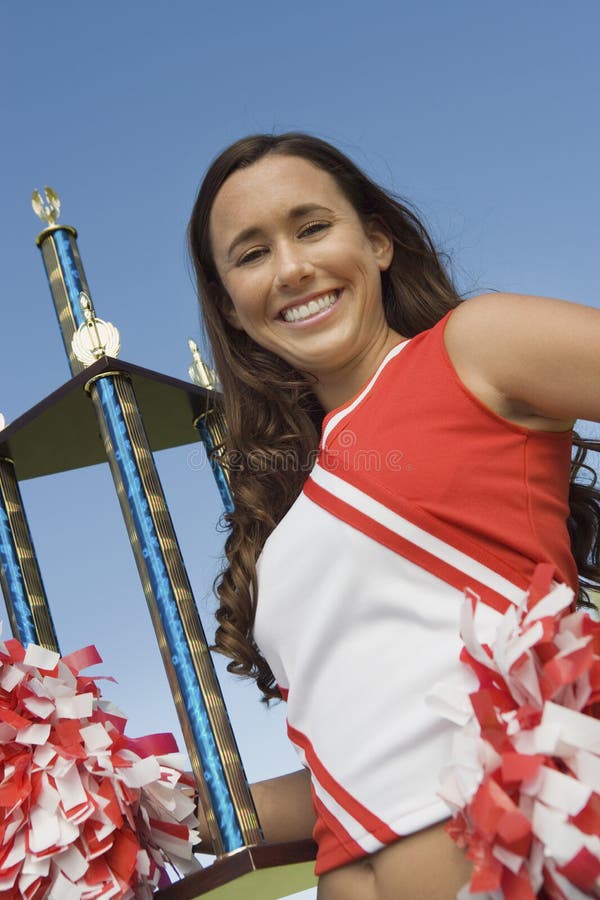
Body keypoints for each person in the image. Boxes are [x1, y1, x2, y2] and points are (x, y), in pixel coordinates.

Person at [187, 133, 600, 899]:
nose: (291, 267)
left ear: (376, 242)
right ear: (232, 310)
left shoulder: (473, 348)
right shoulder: (287, 525)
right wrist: (157, 800)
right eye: (250, 254)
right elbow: (366, 763)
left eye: (312, 227)